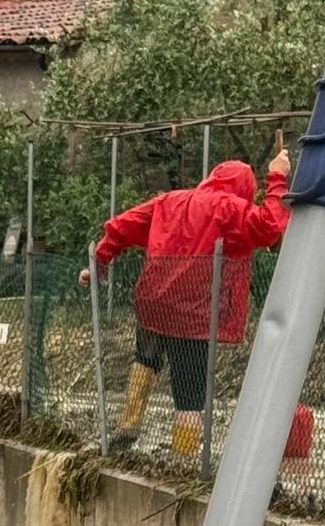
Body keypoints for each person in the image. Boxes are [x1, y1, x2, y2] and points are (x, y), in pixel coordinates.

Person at [79, 150, 291, 455]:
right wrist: (277, 177)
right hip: (195, 314)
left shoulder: (169, 201)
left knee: (145, 358)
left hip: (154, 301)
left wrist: (98, 263)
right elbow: (271, 226)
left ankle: (127, 428)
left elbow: (121, 227)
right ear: (244, 188)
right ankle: (185, 456)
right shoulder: (230, 207)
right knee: (190, 387)